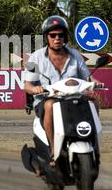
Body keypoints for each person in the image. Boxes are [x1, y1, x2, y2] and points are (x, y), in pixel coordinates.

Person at [23, 15, 103, 168]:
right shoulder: (36, 57)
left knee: (93, 101)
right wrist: (34, 88)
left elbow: (87, 77)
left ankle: (94, 146)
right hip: (47, 100)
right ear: (47, 37)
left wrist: (96, 82)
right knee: (50, 105)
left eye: (60, 35)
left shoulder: (75, 55)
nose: (57, 38)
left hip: (73, 98)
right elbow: (27, 84)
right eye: (53, 35)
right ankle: (54, 150)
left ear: (65, 37)